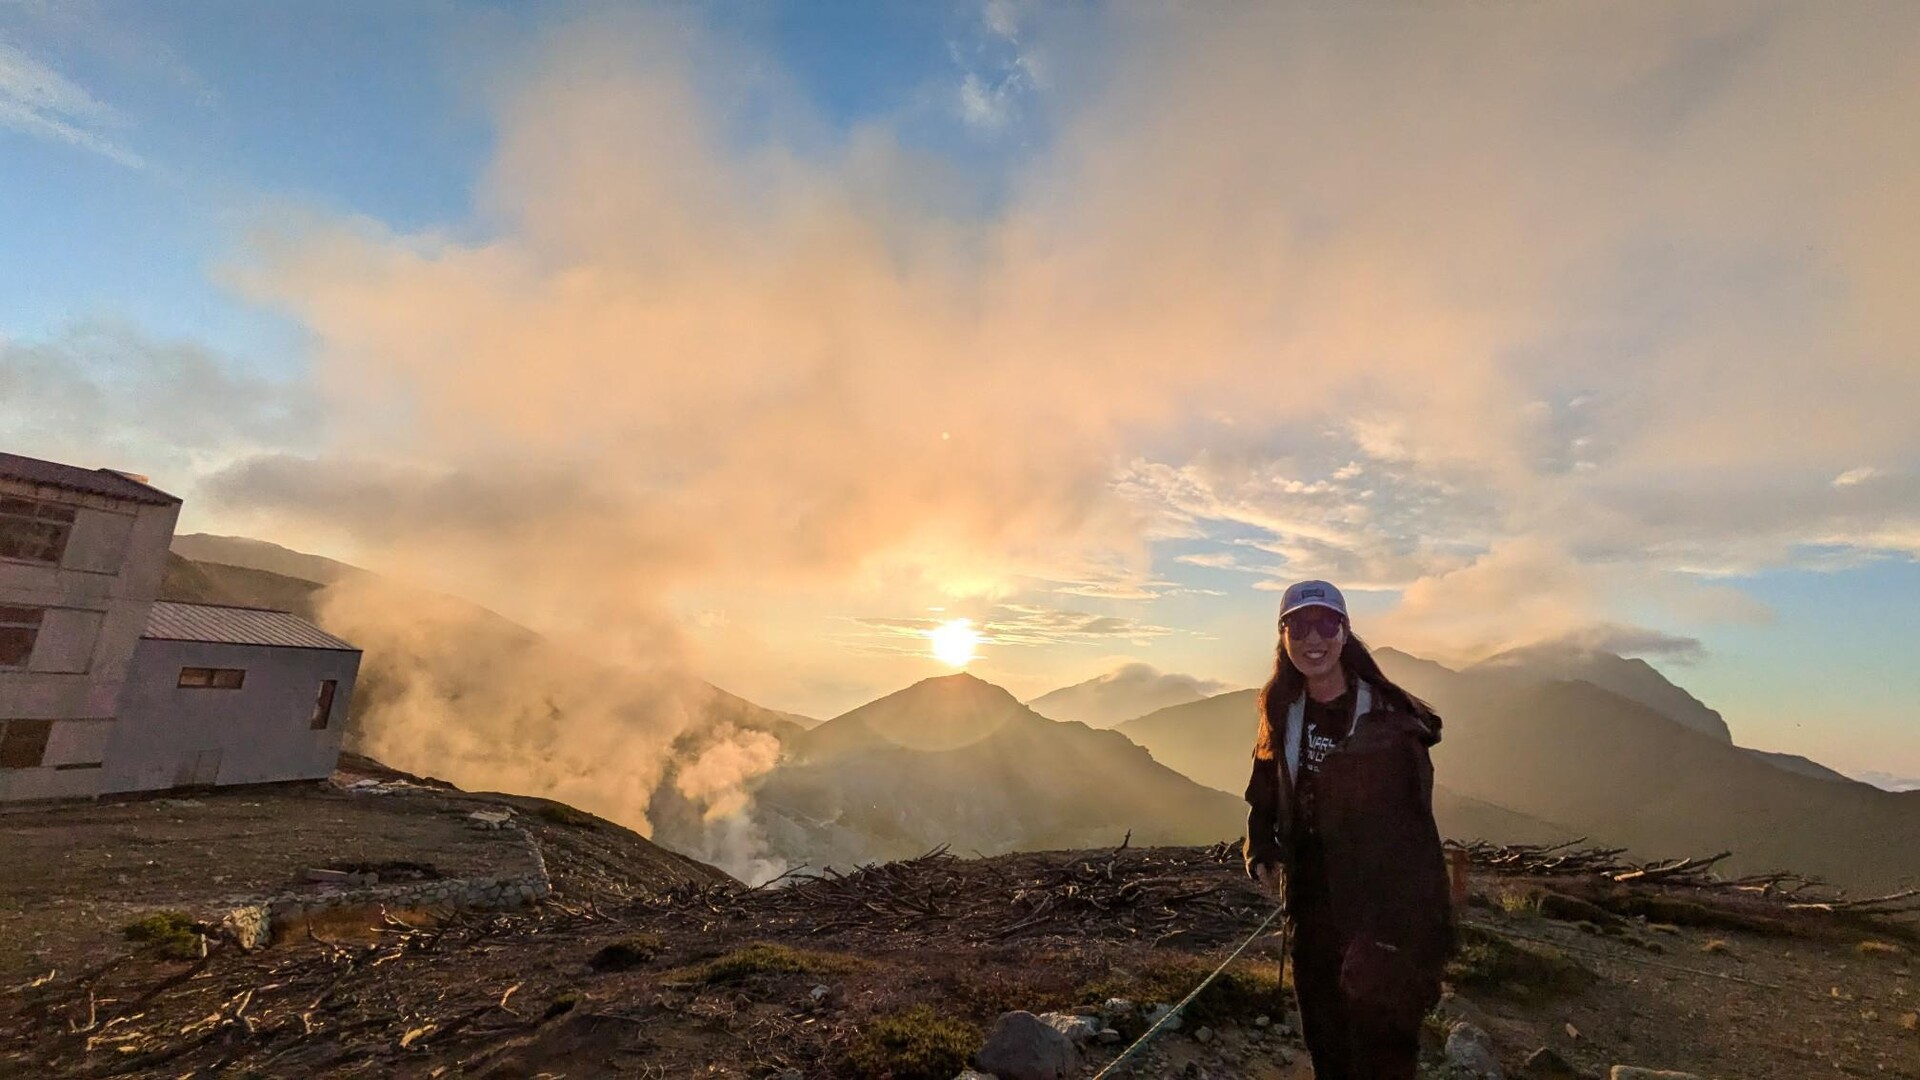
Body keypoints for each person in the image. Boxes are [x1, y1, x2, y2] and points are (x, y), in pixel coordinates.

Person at [1242, 580, 1453, 1080]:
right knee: (1326, 1035)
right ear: (1283, 635)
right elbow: (1265, 787)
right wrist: (1262, 845)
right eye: (1299, 625)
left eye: (1326, 623)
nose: (1313, 638)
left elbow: (1415, 829)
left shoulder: (1388, 720)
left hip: (1378, 908)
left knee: (1382, 1045)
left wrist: (1415, 931)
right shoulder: (1281, 707)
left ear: (1345, 632)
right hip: (1310, 902)